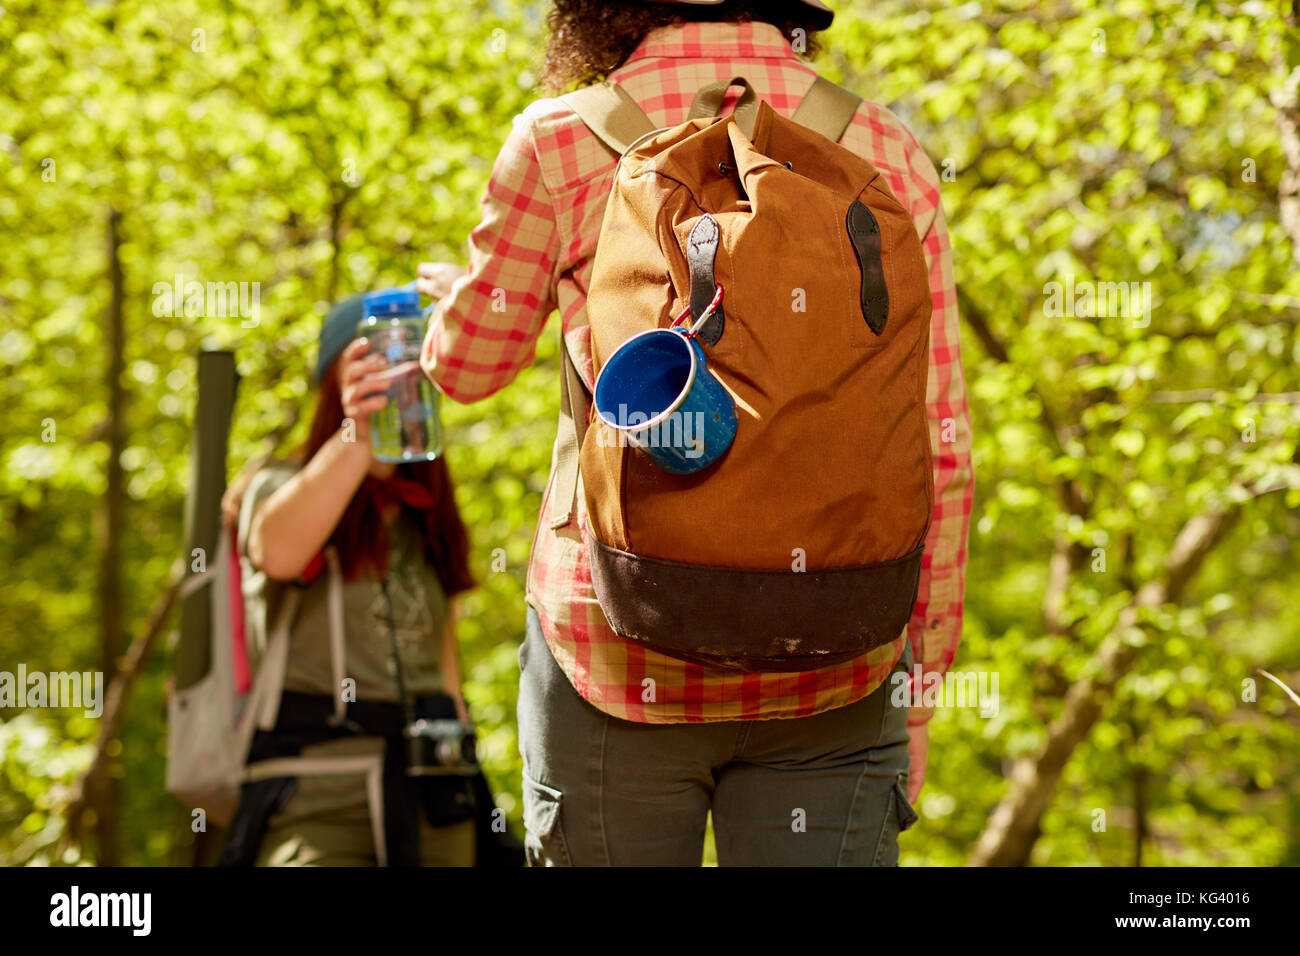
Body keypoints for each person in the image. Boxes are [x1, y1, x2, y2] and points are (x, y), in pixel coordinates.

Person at [418, 0, 973, 865]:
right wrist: (925, 679)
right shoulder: (887, 150)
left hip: (614, 641)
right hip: (839, 657)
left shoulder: (560, 139)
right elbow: (941, 440)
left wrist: (458, 300)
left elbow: (466, 370)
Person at [216, 294, 481, 867]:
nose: (393, 375)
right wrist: (358, 435)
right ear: (336, 379)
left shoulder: (425, 514)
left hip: (436, 793)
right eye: (372, 360)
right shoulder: (276, 484)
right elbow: (278, 551)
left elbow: (447, 662)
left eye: (410, 358)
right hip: (317, 792)